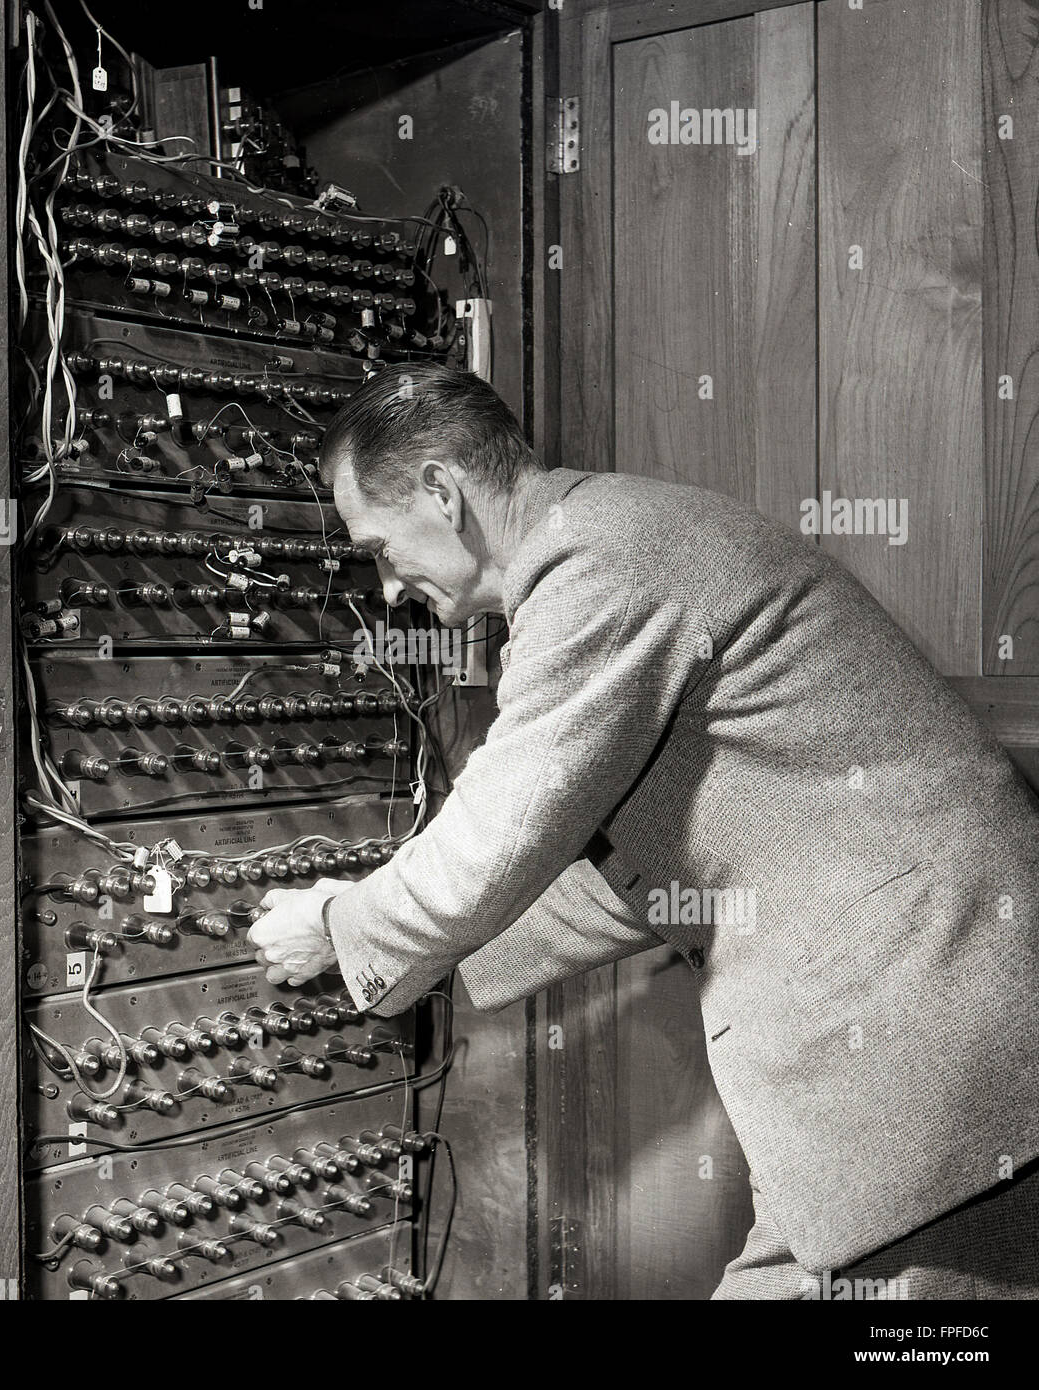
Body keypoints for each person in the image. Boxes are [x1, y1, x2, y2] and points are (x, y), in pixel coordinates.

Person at [247, 363, 1039, 1298]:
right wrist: (421, 961)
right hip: (930, 1016)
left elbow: (499, 835)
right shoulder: (619, 536)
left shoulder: (598, 561)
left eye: (378, 548)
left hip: (913, 1025)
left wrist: (345, 925)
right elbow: (635, 874)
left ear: (441, 491)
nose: (385, 589)